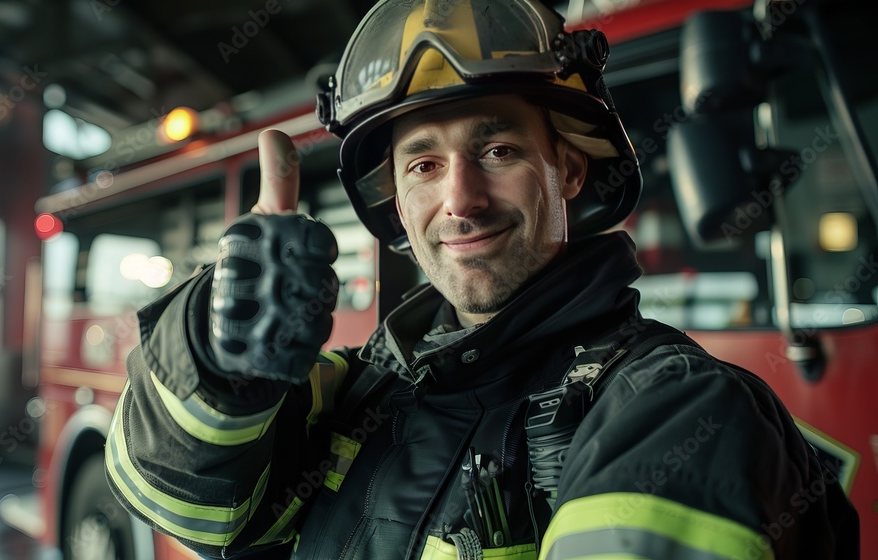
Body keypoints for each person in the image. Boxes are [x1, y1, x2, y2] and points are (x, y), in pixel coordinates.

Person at [104, 0, 859, 558]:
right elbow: (191, 508)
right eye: (424, 165)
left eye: (497, 150)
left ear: (565, 169)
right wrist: (214, 355)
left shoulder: (679, 413)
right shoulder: (367, 392)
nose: (459, 201)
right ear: (398, 204)